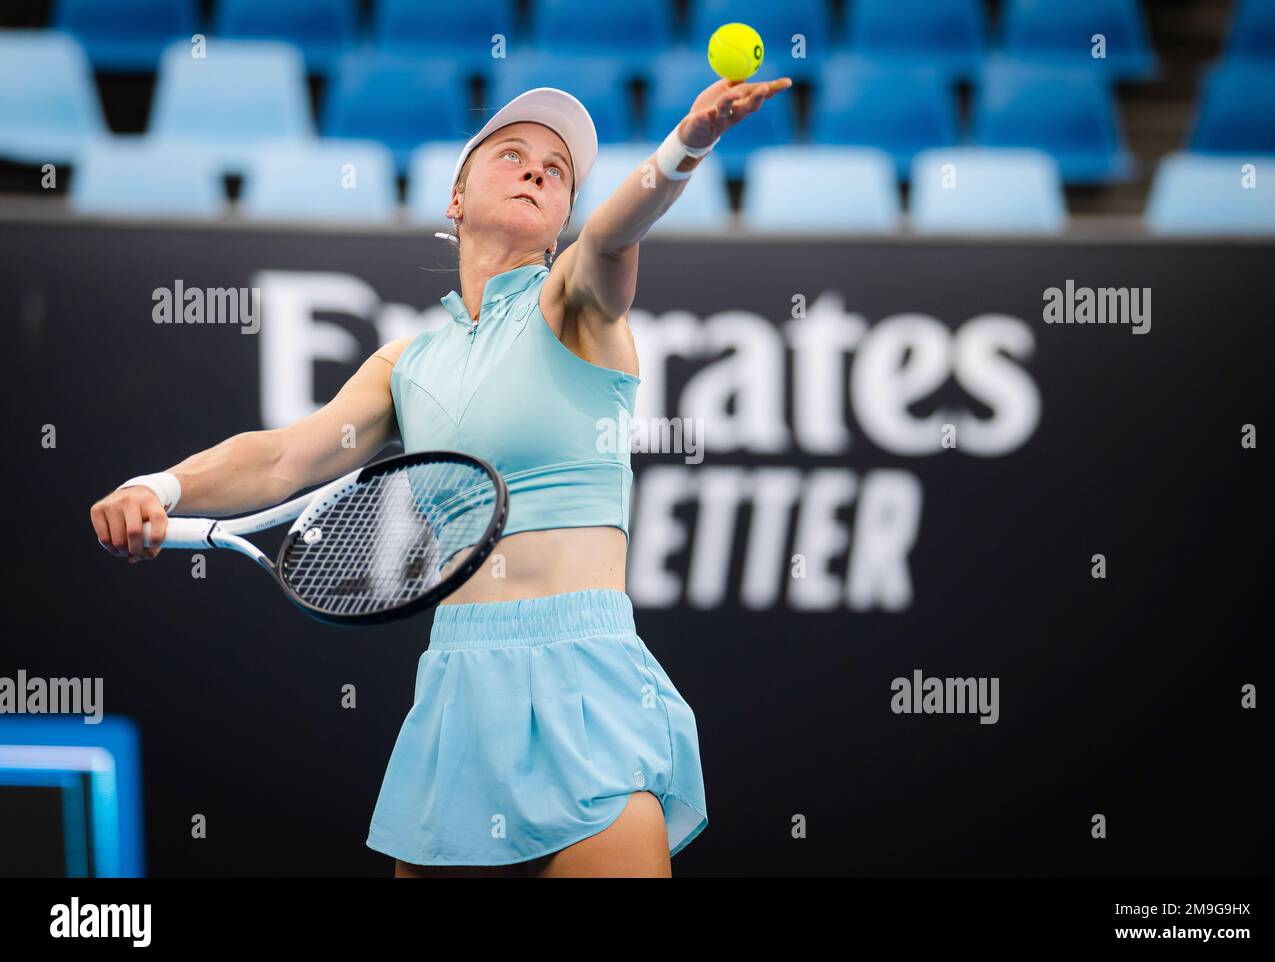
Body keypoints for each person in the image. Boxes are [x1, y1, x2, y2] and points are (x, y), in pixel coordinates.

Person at [90, 75, 792, 876]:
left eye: (556, 170)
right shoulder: (407, 364)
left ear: (562, 218)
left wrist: (687, 144)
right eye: (512, 155)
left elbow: (612, 238)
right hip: (458, 692)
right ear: (455, 198)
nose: (536, 171)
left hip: (590, 688)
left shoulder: (577, 305)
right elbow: (285, 455)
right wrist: (160, 487)